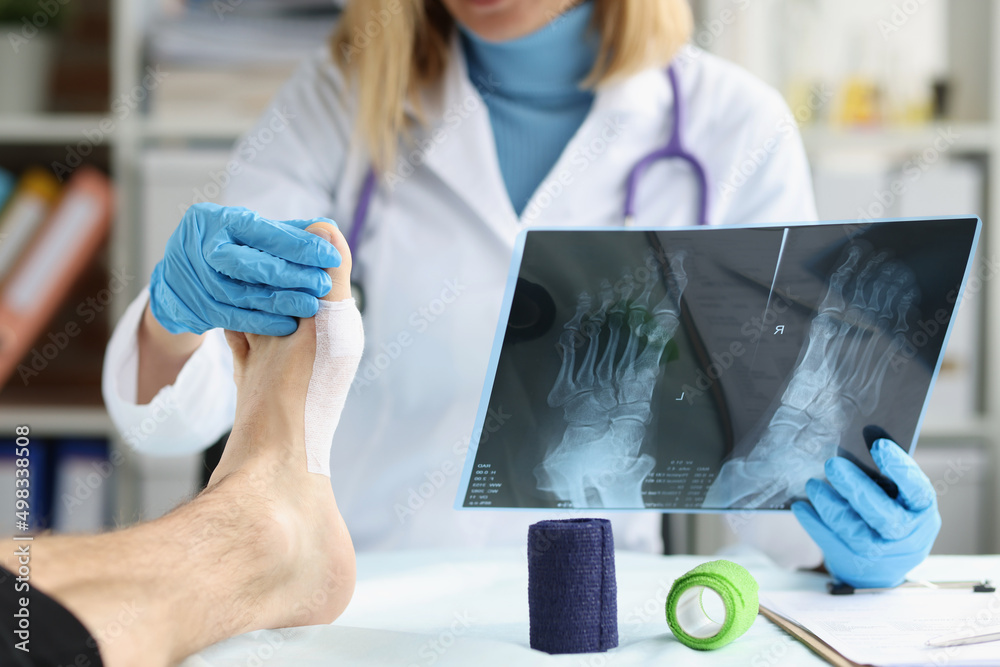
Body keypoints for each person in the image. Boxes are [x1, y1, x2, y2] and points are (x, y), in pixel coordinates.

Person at [102, 0, 940, 587]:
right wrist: (178, 321)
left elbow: (764, 470)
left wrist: (850, 534)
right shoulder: (338, 102)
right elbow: (187, 406)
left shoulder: (735, 129)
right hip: (359, 598)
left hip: (601, 611)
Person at [4, 223, 357, 667]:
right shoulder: (303, 155)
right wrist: (169, 326)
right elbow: (165, 419)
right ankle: (267, 536)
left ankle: (270, 534)